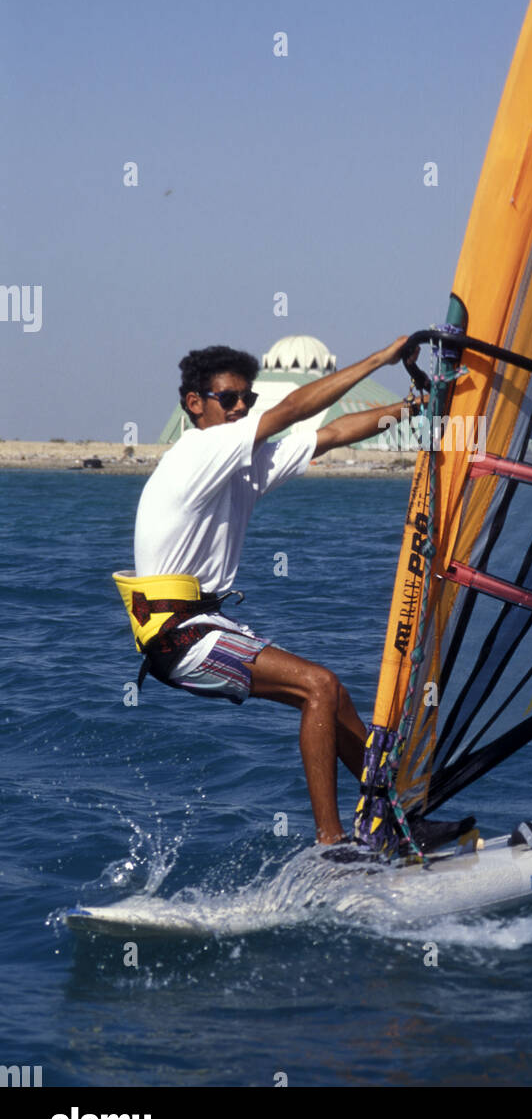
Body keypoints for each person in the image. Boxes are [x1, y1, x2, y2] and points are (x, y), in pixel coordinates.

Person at [123, 339, 415, 846]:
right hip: (178, 636)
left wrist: (413, 408)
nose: (240, 409)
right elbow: (292, 410)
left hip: (202, 626)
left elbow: (335, 432)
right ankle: (332, 844)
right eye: (228, 399)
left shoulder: (241, 464)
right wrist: (378, 360)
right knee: (318, 687)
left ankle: (394, 820)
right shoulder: (199, 449)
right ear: (194, 403)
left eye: (246, 400)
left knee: (336, 697)